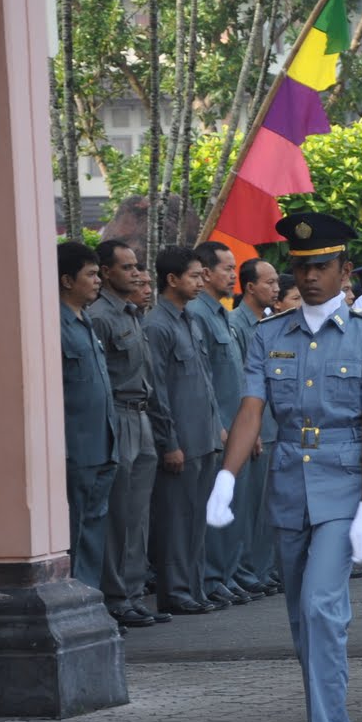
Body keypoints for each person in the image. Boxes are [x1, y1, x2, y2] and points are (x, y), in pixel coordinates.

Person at [205, 212, 362, 722]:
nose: (312, 275)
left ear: (345, 270)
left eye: (322, 265)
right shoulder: (269, 335)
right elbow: (252, 409)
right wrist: (227, 477)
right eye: (302, 266)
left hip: (346, 485)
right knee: (305, 627)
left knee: (323, 608)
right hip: (289, 489)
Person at [88, 241, 169, 626]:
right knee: (119, 516)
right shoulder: (100, 315)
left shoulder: (132, 313)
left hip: (141, 417)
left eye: (137, 267)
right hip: (118, 415)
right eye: (127, 267)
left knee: (138, 517)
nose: (136, 274)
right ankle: (116, 597)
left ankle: (133, 594)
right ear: (105, 272)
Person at [144, 245, 222, 616]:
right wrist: (169, 442)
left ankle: (193, 586)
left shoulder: (189, 319)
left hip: (203, 435)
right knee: (175, 518)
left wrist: (217, 426)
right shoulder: (156, 325)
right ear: (172, 279)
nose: (200, 281)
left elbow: (204, 380)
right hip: (181, 441)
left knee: (196, 517)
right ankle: (174, 591)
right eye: (194, 275)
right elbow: (157, 391)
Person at [189, 241, 254, 607]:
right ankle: (212, 577)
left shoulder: (220, 314)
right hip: (220, 429)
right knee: (216, 505)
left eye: (234, 269)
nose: (233, 275)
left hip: (237, 427)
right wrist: (218, 423)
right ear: (207, 271)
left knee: (237, 506)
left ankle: (225, 575)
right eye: (227, 269)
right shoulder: (198, 313)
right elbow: (204, 380)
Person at [57, 241, 117, 594]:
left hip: (103, 444)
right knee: (76, 530)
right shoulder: (55, 325)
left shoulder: (87, 322)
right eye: (91, 274)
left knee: (94, 529)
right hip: (77, 448)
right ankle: (76, 599)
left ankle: (91, 598)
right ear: (67, 280)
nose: (98, 280)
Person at [228, 258, 283, 595]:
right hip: (253, 427)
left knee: (264, 508)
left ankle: (260, 570)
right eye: (270, 283)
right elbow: (240, 384)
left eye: (278, 282)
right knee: (245, 507)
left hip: (273, 427)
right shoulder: (237, 324)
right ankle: (244, 570)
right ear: (250, 287)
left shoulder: (266, 324)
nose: (276, 289)